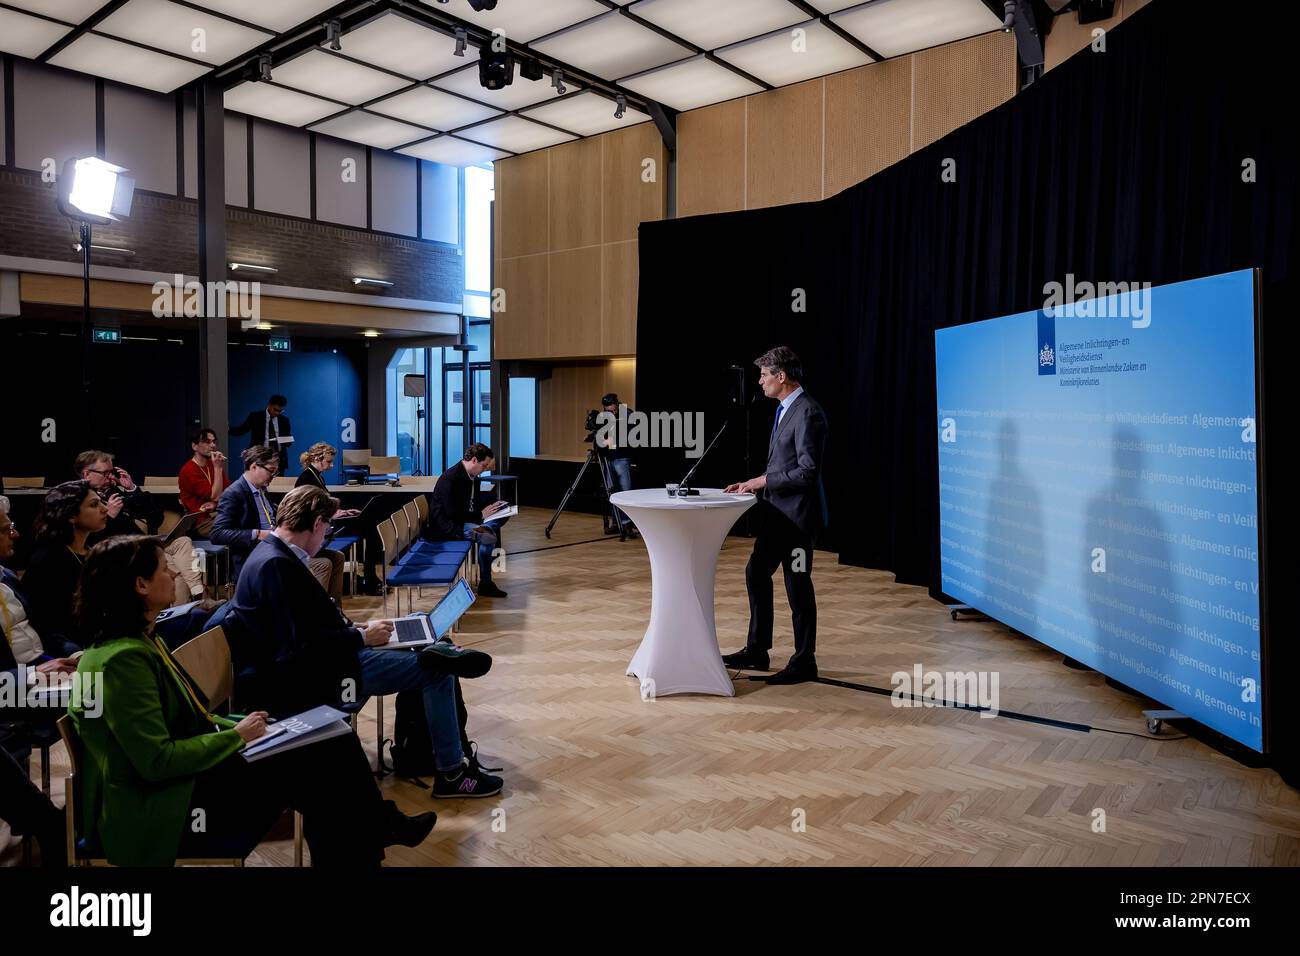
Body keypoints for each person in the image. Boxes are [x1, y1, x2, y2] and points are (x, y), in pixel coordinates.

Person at [67, 533, 435, 867]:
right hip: (161, 804)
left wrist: (256, 727)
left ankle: (369, 839)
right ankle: (375, 831)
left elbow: (192, 719)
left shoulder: (142, 641)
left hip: (184, 780)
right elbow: (157, 761)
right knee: (321, 762)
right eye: (166, 569)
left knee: (328, 739)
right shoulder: (121, 660)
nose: (176, 575)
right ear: (140, 585)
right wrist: (237, 735)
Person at [217, 486, 503, 799]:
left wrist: (356, 628)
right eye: (327, 527)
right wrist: (360, 636)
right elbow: (299, 647)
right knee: (436, 670)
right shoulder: (276, 564)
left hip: (328, 655)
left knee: (429, 642)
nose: (327, 534)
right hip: (315, 673)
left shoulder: (274, 554)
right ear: (316, 524)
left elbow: (305, 626)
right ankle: (452, 772)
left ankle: (433, 658)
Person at [723, 347, 828, 685]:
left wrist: (762, 480)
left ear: (781, 376)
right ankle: (757, 650)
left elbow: (807, 473)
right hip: (776, 518)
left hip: (797, 523)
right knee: (756, 573)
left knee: (797, 587)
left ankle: (804, 661)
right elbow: (784, 464)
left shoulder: (807, 411)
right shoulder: (785, 409)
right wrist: (754, 484)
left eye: (764, 375)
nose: (760, 381)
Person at [211, 446, 342, 600]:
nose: (274, 476)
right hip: (259, 557)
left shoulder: (262, 490)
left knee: (337, 557)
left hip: (277, 547)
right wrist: (257, 534)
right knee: (323, 564)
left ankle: (335, 616)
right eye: (271, 471)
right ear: (254, 467)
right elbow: (217, 534)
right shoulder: (234, 493)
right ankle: (314, 618)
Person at [76, 450, 203, 602]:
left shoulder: (112, 491)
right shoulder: (81, 502)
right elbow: (92, 542)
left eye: (111, 472)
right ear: (86, 474)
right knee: (175, 574)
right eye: (105, 473)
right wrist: (109, 516)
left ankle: (198, 594)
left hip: (144, 542)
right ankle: (192, 608)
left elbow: (155, 516)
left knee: (183, 542)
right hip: (126, 552)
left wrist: (131, 489)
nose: (111, 477)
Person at [20, 481, 106, 655]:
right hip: (75, 647)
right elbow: (45, 622)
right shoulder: (48, 559)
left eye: (101, 502)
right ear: (71, 516)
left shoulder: (93, 551)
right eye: (94, 505)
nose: (104, 509)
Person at [0, 495, 79, 678]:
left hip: (43, 663)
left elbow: (43, 627)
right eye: (6, 530)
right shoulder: (48, 559)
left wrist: (76, 654)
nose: (16, 534)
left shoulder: (8, 577)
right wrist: (32, 674)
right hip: (16, 684)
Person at [426, 443, 510, 599]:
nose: (484, 470)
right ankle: (486, 583)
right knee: (489, 536)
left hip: (466, 521)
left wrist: (490, 510)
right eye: (484, 465)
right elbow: (453, 514)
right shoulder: (451, 478)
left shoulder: (473, 478)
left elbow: (473, 505)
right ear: (473, 460)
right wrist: (481, 515)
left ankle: (486, 581)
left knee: (502, 515)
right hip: (450, 527)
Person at [596, 393, 636, 535]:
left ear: (617, 404)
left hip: (622, 458)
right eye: (608, 411)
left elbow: (633, 437)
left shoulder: (628, 414)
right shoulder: (604, 416)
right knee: (612, 493)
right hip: (609, 459)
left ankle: (627, 524)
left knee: (625, 492)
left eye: (613, 410)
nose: (612, 413)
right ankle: (616, 522)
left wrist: (613, 442)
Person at [177, 426, 229, 537]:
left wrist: (215, 505)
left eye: (214, 442)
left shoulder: (212, 464)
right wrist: (218, 469)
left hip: (218, 514)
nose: (213, 446)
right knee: (238, 525)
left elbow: (228, 493)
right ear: (194, 446)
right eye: (207, 442)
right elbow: (215, 496)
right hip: (201, 522)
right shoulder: (189, 470)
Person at [230, 393, 292, 473]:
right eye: (275, 410)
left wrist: (288, 441)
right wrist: (227, 429)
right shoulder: (255, 417)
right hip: (259, 457)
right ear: (269, 405)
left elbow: (288, 441)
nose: (277, 413)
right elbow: (241, 430)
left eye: (280, 411)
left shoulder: (284, 420)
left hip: (278, 458)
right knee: (257, 482)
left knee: (278, 483)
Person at [296, 442, 359, 518]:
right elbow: (309, 509)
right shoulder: (306, 478)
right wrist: (332, 514)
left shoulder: (316, 476)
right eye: (329, 461)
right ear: (317, 459)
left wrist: (340, 511)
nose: (332, 465)